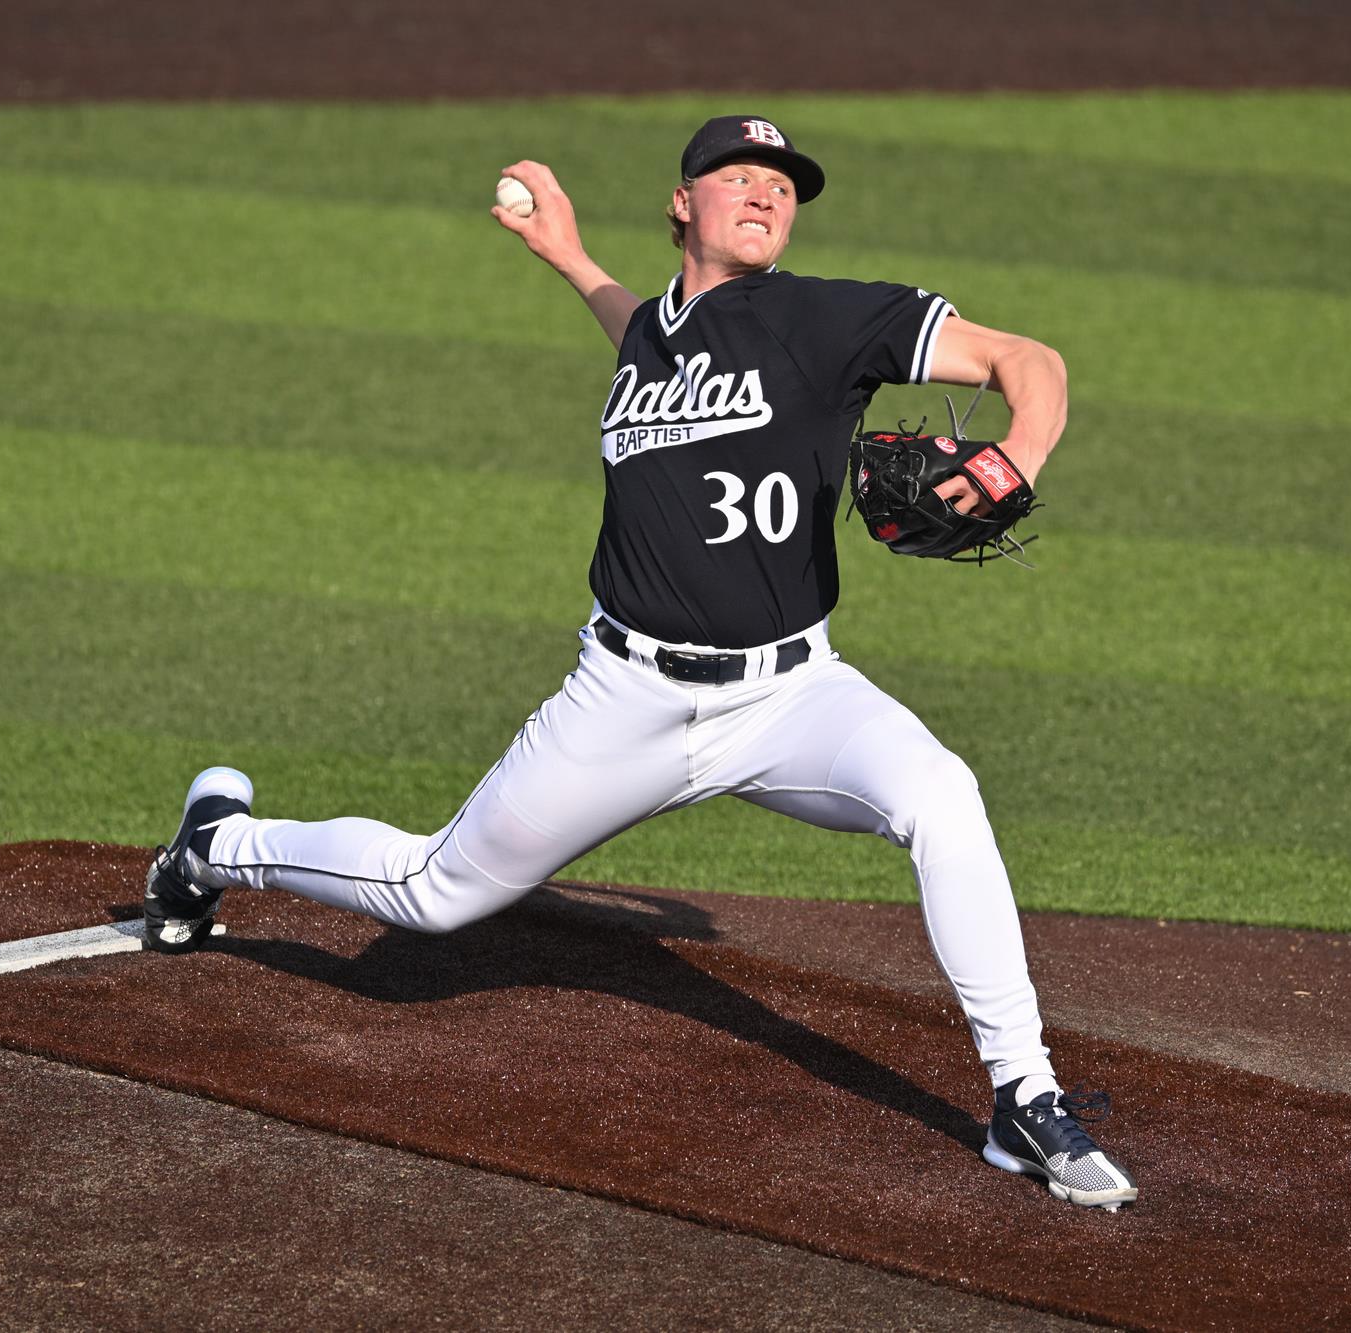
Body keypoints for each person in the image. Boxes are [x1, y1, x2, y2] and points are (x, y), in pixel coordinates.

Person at [143, 115, 1137, 1211]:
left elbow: (1026, 360)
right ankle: (213, 845)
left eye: (782, 184)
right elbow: (648, 333)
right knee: (434, 893)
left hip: (791, 695)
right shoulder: (656, 335)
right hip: (623, 698)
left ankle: (1022, 1095)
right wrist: (571, 260)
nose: (764, 194)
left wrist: (1016, 453)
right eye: (737, 176)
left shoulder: (822, 317)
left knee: (941, 794)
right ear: (681, 202)